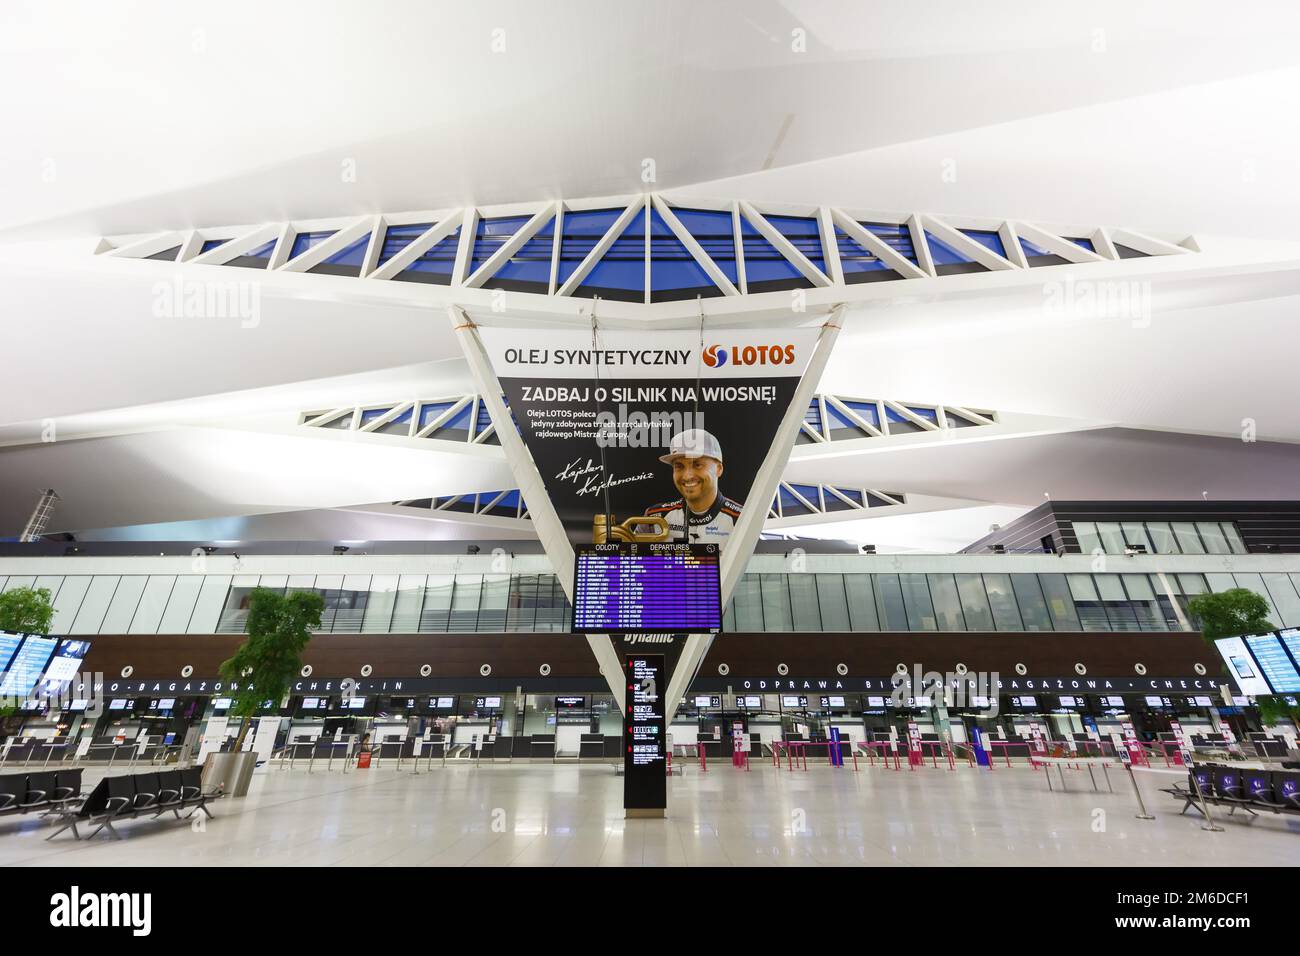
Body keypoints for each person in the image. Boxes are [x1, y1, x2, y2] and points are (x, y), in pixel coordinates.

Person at [640, 428, 742, 545]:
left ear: (718, 469)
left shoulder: (743, 519)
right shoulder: (653, 518)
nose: (687, 476)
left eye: (697, 465)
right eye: (679, 466)